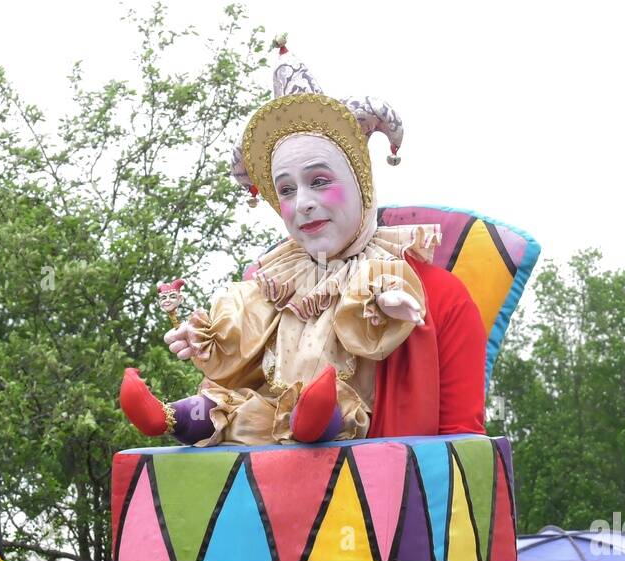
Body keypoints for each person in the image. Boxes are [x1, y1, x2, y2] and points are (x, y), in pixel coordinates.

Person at [120, 36, 486, 446]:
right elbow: (236, 377)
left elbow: (464, 454)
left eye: (319, 181)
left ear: (362, 183)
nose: (303, 204)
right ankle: (180, 417)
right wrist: (204, 339)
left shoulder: (441, 296)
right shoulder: (266, 288)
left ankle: (319, 417)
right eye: (287, 190)